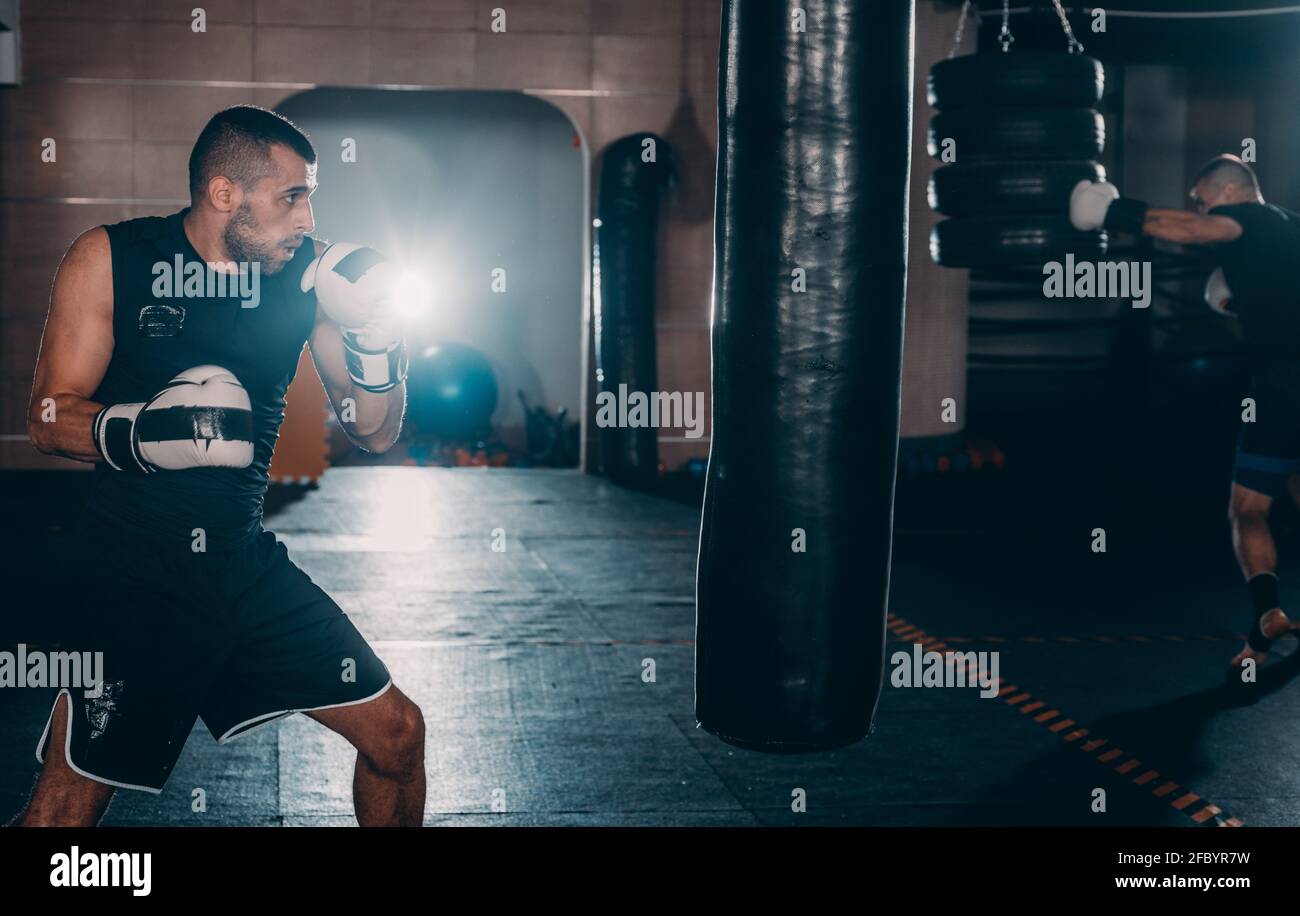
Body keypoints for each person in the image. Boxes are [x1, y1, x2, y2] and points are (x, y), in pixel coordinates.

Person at [15, 105, 425, 826]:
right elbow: (48, 418)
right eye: (292, 195)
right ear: (225, 194)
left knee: (397, 734)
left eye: (311, 196)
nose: (307, 218)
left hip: (243, 570)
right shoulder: (111, 258)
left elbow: (376, 433)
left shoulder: (309, 279)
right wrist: (144, 433)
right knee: (65, 811)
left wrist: (377, 350)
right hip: (130, 577)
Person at [1071, 154, 1300, 679]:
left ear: (1227, 191)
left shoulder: (1248, 219)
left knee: (1248, 508)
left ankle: (1266, 615)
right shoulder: (1290, 229)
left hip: (1284, 383)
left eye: (1200, 197)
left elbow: (1192, 229)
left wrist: (1113, 213)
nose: (1196, 206)